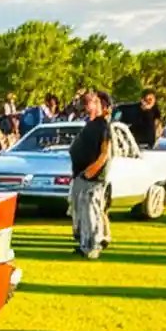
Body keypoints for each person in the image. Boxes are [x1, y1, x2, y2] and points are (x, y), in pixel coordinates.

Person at [68, 91, 112, 259]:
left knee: (91, 212)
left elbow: (104, 153)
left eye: (93, 102)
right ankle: (84, 244)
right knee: (81, 214)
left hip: (93, 179)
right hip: (81, 176)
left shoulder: (103, 126)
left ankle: (93, 246)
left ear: (103, 107)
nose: (88, 106)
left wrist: (90, 172)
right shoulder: (90, 124)